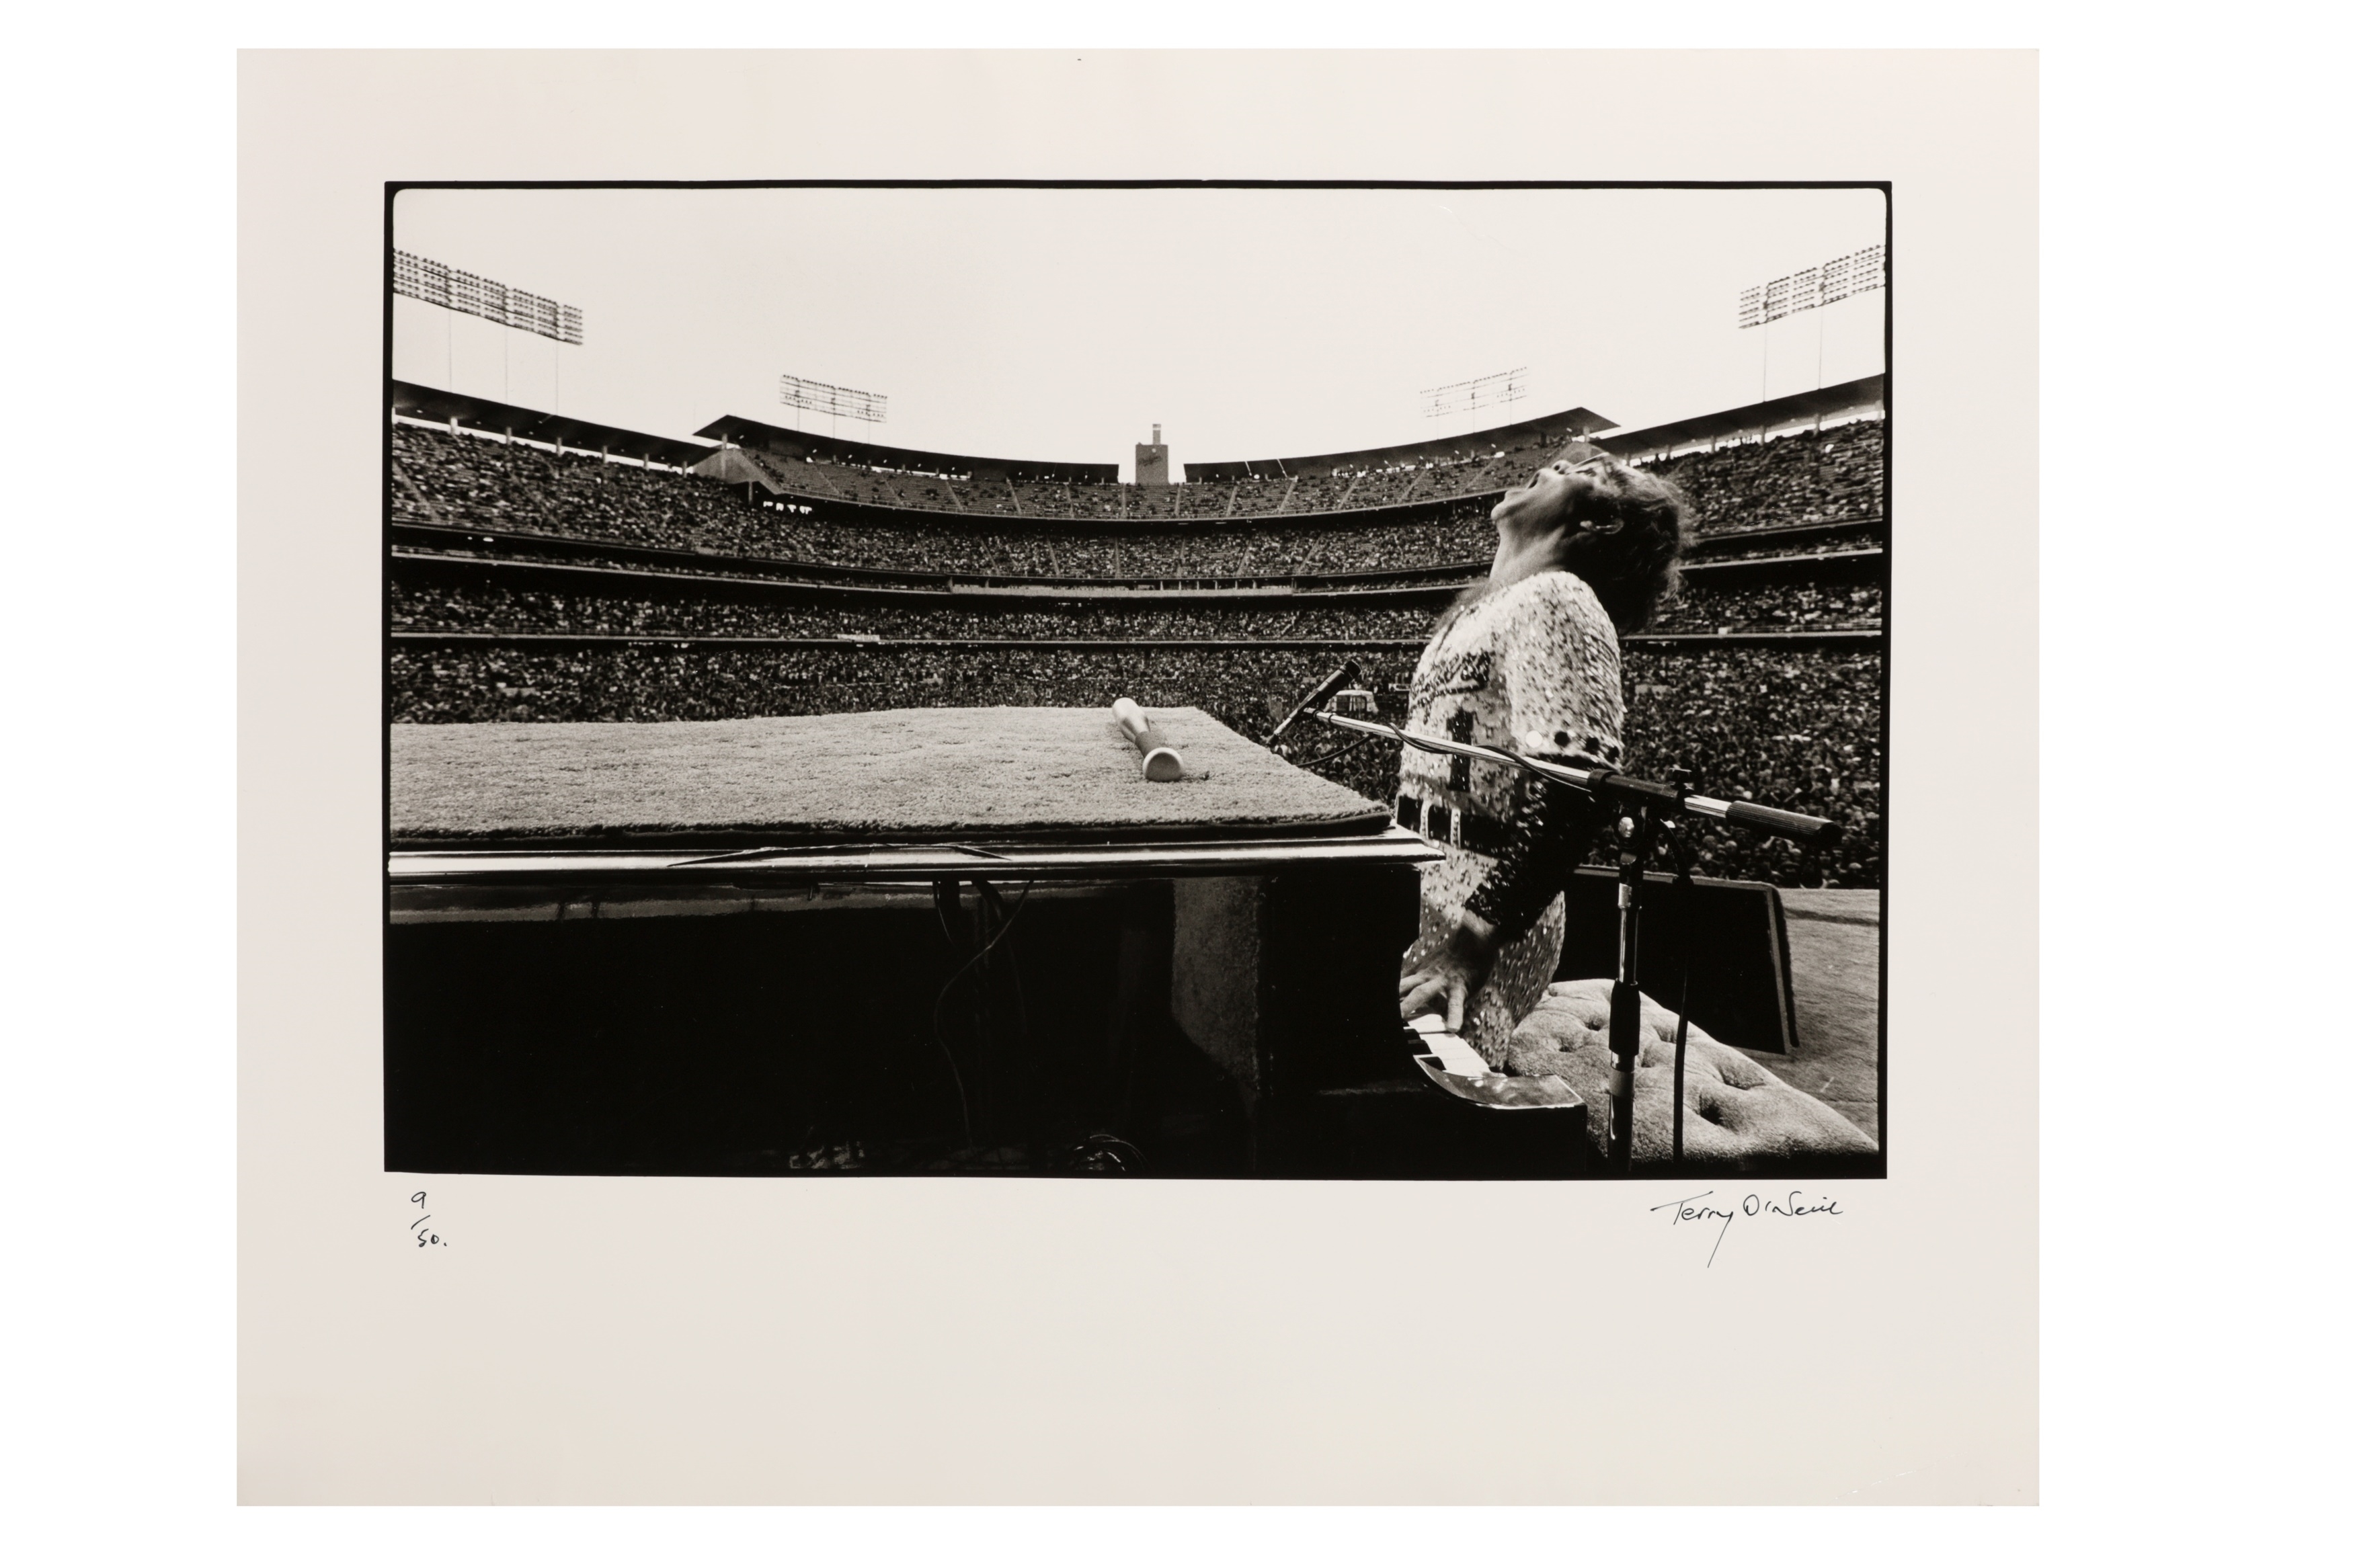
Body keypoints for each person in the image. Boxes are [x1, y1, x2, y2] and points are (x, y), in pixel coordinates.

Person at [1395, 447, 1690, 1069]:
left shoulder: (1559, 598)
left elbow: (1576, 790)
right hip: (1429, 891)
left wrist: (1472, 949)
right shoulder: (1480, 610)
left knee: (1435, 1094)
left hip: (1478, 915)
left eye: (1575, 471)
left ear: (1595, 522)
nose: (1549, 466)